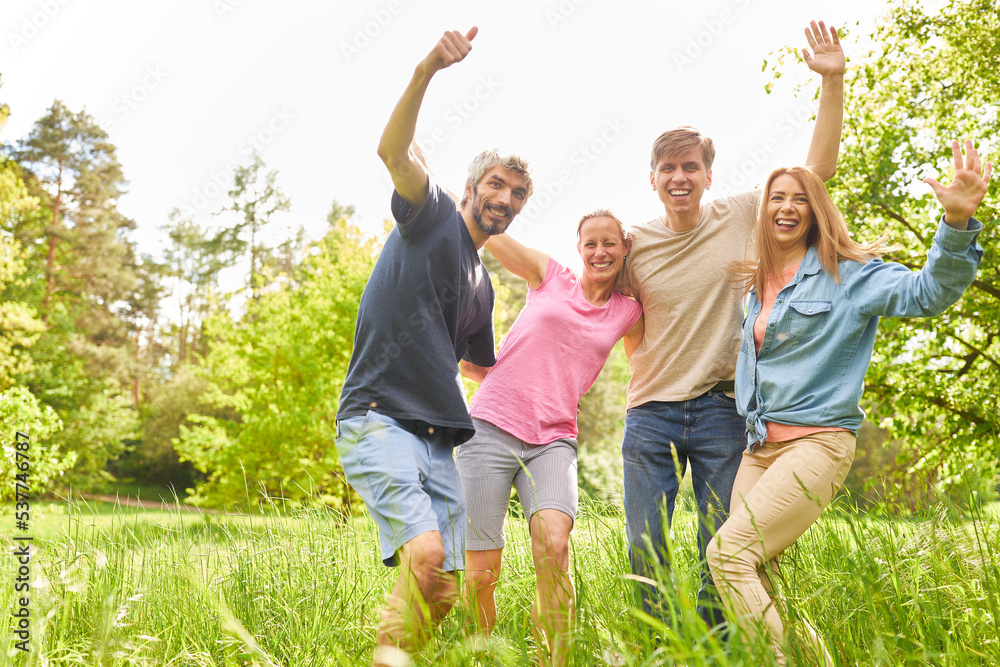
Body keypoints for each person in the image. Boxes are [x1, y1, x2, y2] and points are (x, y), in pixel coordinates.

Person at [706, 139, 991, 665]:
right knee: (758, 574)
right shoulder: (757, 285)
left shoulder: (850, 275)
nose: (787, 207)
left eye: (800, 199)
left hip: (815, 444)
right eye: (777, 197)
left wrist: (955, 223)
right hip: (758, 449)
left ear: (817, 211)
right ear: (763, 209)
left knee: (727, 556)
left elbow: (928, 293)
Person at [621, 20, 846, 628]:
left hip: (726, 408)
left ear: (707, 175)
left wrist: (832, 82)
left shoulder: (743, 212)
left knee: (719, 549)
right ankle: (657, 646)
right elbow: (585, 303)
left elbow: (814, 176)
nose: (679, 178)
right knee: (645, 548)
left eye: (690, 167)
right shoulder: (631, 242)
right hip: (651, 412)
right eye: (668, 169)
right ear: (652, 178)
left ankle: (720, 648)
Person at [333, 27, 535, 667]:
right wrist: (428, 69)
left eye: (517, 194)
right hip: (379, 417)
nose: (504, 199)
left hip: (439, 438)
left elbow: (481, 366)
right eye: (496, 185)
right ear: (473, 187)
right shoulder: (434, 214)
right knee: (423, 558)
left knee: (442, 589)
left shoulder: (482, 286)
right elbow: (393, 151)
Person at [456, 211, 643, 665]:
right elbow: (491, 233)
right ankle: (478, 657)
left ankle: (553, 660)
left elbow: (646, 363)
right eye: (591, 243)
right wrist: (454, 192)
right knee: (482, 571)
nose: (600, 252)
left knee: (555, 546)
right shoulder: (550, 276)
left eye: (609, 243)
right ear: (578, 248)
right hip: (489, 429)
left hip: (554, 439)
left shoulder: (629, 310)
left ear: (624, 249)